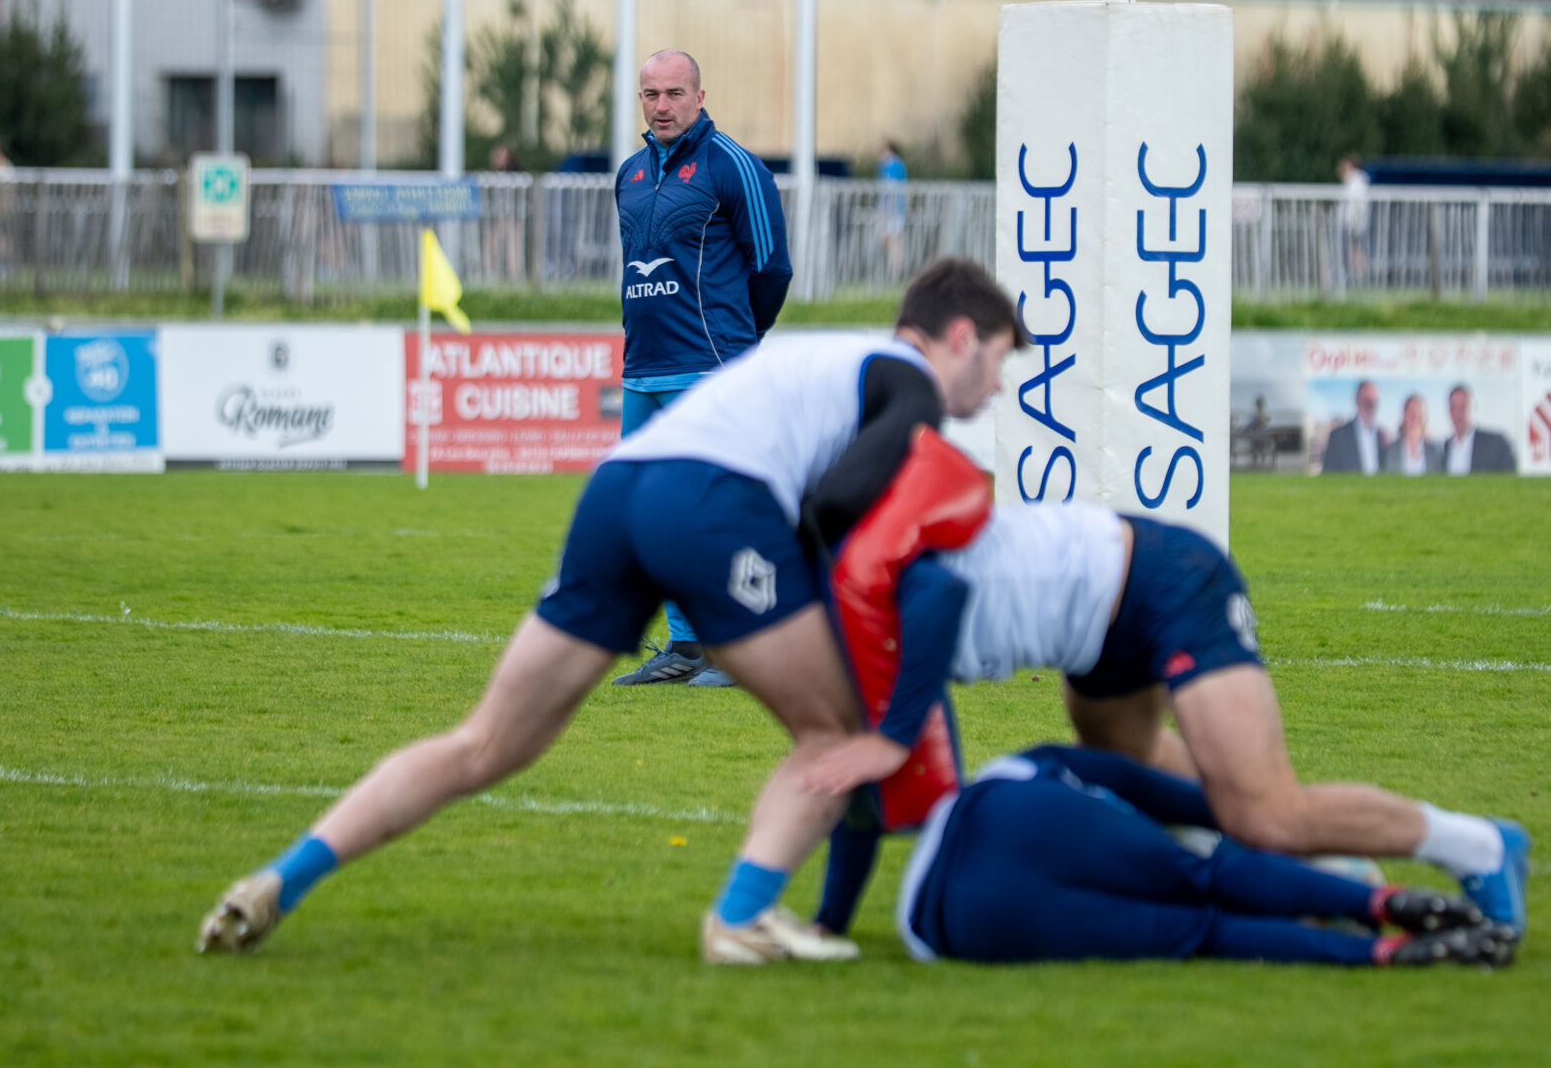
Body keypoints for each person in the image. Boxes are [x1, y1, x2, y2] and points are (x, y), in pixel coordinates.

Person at [194, 259, 1026, 964]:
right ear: (957, 338)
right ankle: (738, 920)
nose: (993, 387)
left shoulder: (833, 359)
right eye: (994, 360)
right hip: (711, 501)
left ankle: (276, 880)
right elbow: (832, 507)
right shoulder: (910, 385)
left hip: (618, 489)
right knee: (845, 735)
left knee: (483, 742)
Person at [795, 429, 1532, 938]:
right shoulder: (846, 604)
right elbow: (873, 788)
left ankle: (1477, 845)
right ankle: (1311, 875)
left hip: (1163, 583)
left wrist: (889, 744)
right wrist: (831, 921)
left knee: (1264, 812)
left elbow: (898, 727)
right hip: (1094, 635)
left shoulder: (871, 588)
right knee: (1137, 762)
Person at [816, 743, 1512, 971]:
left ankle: (1382, 945)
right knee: (1203, 879)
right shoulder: (1073, 767)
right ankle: (1374, 904)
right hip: (1003, 815)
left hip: (946, 918)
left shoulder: (1045, 763)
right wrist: (1278, 834)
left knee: (1200, 926)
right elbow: (1186, 806)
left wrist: (830, 921)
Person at [611, 49, 792, 688]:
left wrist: (743, 341)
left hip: (712, 369)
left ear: (699, 95)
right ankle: (687, 648)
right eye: (650, 94)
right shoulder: (629, 174)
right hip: (643, 372)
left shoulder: (732, 166)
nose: (661, 105)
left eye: (673, 93)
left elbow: (772, 268)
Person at [1441, 382, 1517, 476]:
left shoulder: (1497, 444)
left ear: (1474, 407)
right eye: (1453, 407)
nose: (1458, 413)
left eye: (1463, 407)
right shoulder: (1446, 447)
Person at [1319, 378, 1390, 475]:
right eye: (1366, 400)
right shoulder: (1338, 437)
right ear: (1356, 401)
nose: (1370, 406)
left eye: (1374, 401)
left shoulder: (1383, 437)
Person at [1384, 392, 1440, 476]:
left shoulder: (1435, 452)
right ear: (1404, 416)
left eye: (1420, 413)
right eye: (1411, 412)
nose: (1415, 418)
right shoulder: (1390, 451)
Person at [876, 138, 909, 282]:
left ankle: (897, 272)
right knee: (889, 241)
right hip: (894, 209)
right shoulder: (895, 165)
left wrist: (884, 211)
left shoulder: (892, 166)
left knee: (893, 242)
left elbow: (891, 190)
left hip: (892, 210)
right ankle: (895, 271)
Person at [1338, 153, 1371, 288]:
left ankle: (1358, 277)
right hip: (1355, 223)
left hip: (1354, 224)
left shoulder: (1355, 183)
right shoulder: (1355, 182)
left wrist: (1353, 222)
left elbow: (1356, 205)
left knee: (1355, 251)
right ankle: (1356, 277)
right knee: (1355, 251)